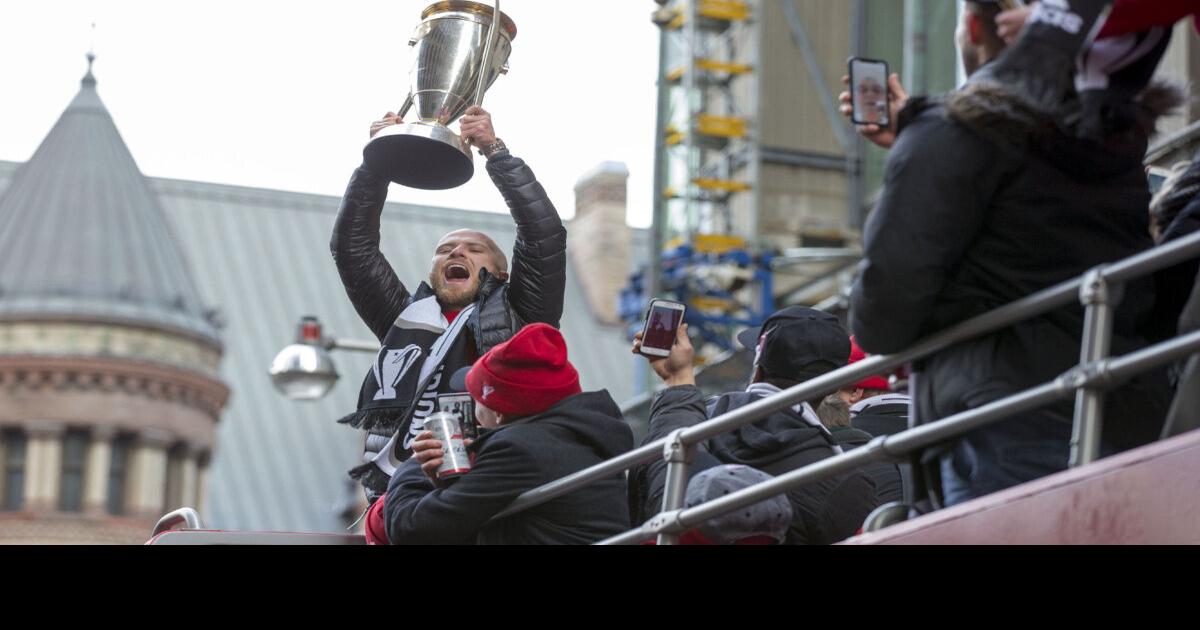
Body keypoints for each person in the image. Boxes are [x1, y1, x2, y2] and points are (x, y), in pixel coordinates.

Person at [848, 0, 1179, 507]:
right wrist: (920, 129)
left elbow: (882, 317)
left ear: (975, 27)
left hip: (998, 425)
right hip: (1122, 411)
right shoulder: (1112, 140)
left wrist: (926, 137)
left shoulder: (948, 138)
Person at [331, 106, 567, 499]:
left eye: (475, 249)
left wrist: (496, 152)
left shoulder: (524, 316)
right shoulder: (404, 318)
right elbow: (352, 250)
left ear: (501, 273)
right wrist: (377, 163)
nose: (457, 251)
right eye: (445, 250)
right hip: (400, 494)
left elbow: (543, 236)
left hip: (487, 485)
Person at [628, 309, 878, 545]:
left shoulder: (696, 424)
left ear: (758, 368)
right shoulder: (844, 478)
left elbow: (660, 491)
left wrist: (678, 381)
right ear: (836, 385)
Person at [380, 323, 634, 545]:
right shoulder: (579, 437)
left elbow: (411, 530)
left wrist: (412, 465)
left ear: (500, 413)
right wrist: (446, 479)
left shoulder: (518, 449)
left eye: (476, 398)